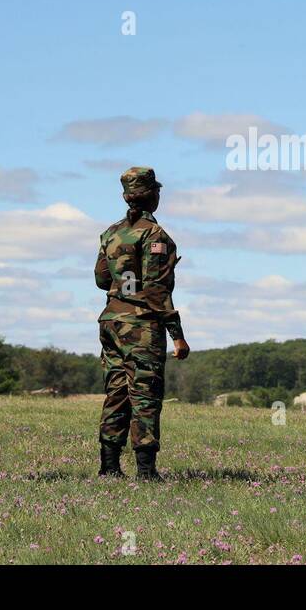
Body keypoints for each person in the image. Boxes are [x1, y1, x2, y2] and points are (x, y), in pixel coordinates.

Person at [94, 167, 189, 481]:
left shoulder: (110, 233)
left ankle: (109, 467)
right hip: (141, 325)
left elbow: (101, 278)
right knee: (145, 395)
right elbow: (157, 289)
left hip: (111, 321)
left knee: (116, 393)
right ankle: (146, 472)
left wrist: (124, 283)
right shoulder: (155, 236)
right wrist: (177, 336)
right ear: (154, 196)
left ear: (126, 196)